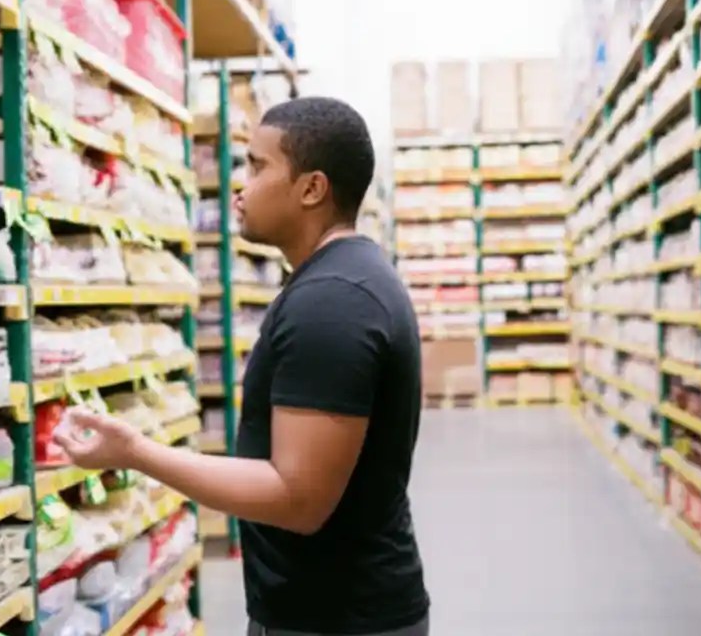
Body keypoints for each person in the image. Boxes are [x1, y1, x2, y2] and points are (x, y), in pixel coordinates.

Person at [54, 96, 430, 636]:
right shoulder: (340, 278)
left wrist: (135, 453)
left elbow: (298, 500)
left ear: (312, 188)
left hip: (338, 620)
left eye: (256, 166)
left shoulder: (334, 301)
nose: (239, 185)